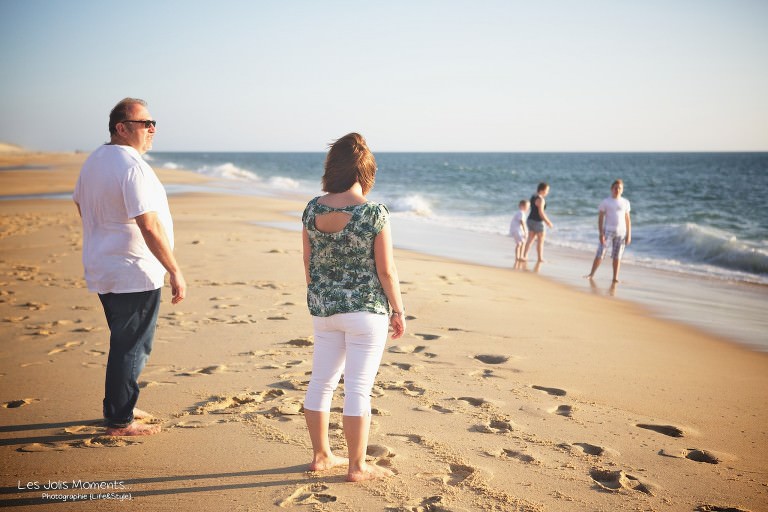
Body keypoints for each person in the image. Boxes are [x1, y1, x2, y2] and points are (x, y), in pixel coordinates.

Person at [73, 98, 186, 436]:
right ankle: (120, 419)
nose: (152, 129)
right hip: (133, 270)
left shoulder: (95, 160)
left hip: (105, 266)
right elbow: (148, 224)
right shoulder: (131, 165)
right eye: (144, 123)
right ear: (121, 128)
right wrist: (174, 269)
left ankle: (121, 405)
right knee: (133, 345)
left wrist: (104, 236)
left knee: (125, 341)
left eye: (154, 123)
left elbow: (81, 202)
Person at [301, 132, 405, 482]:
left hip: (324, 309)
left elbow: (308, 262)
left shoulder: (313, 208)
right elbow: (386, 270)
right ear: (366, 173)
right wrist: (399, 309)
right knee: (358, 387)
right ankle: (357, 466)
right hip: (365, 312)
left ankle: (320, 456)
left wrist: (322, 296)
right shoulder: (373, 213)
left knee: (321, 382)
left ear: (333, 169)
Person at [584, 179, 632, 282]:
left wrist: (629, 235)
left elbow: (628, 220)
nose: (617, 190)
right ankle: (591, 274)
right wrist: (601, 233)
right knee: (600, 254)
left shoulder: (625, 202)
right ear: (611, 189)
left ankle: (615, 278)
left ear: (622, 190)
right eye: (615, 188)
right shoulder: (606, 202)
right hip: (607, 232)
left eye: (619, 188)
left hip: (621, 233)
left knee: (617, 256)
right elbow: (600, 218)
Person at [522, 182, 554, 262]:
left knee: (530, 239)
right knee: (540, 240)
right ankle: (540, 258)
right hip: (538, 221)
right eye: (547, 190)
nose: (547, 192)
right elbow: (541, 212)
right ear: (542, 190)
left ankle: (524, 256)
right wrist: (548, 222)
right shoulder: (541, 199)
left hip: (530, 219)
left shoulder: (533, 197)